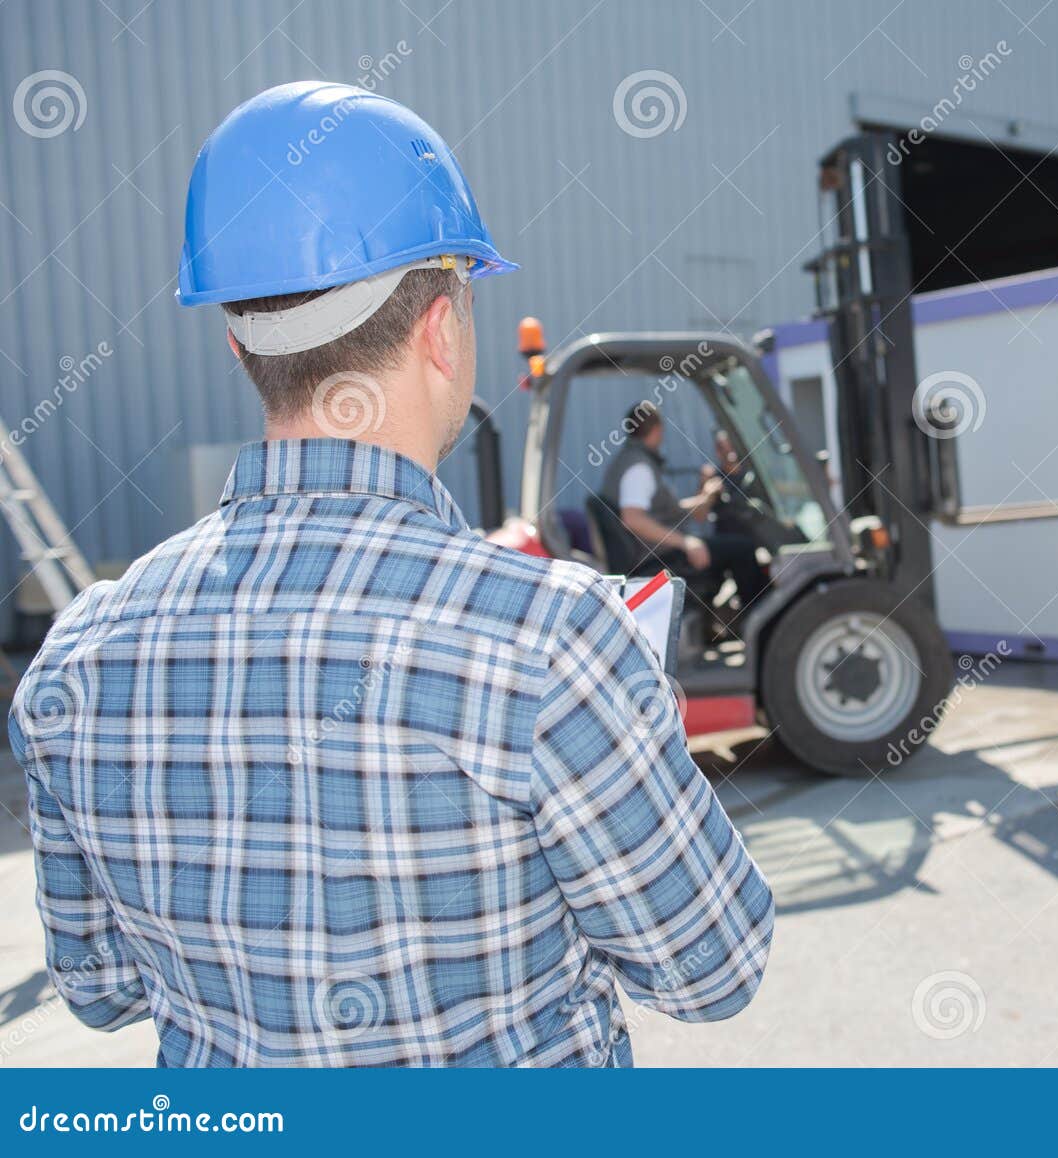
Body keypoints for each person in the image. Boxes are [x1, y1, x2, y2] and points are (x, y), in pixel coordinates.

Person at [7, 81, 772, 1067]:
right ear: (442, 331)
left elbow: (103, 992)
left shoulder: (81, 654)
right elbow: (711, 971)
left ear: (236, 338)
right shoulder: (555, 640)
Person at [601, 401, 766, 610]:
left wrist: (704, 498)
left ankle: (716, 619)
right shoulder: (639, 468)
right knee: (743, 548)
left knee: (727, 546)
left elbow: (664, 513)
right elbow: (633, 518)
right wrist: (686, 542)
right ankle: (756, 621)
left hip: (653, 552)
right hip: (658, 558)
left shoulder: (629, 461)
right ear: (657, 429)